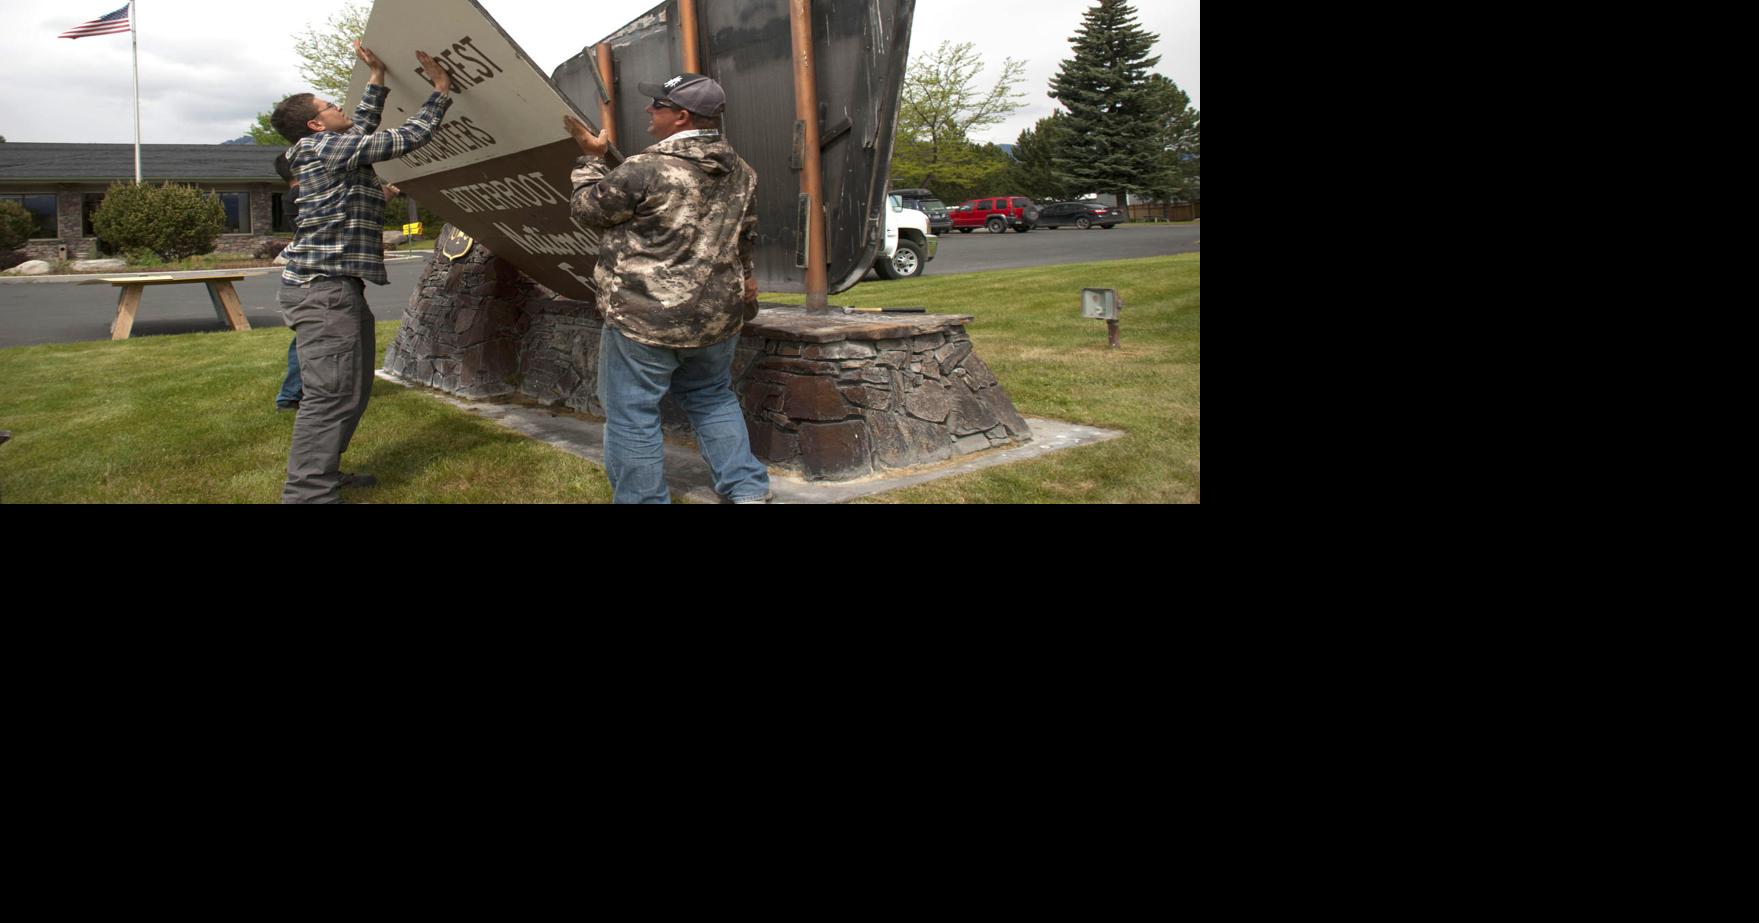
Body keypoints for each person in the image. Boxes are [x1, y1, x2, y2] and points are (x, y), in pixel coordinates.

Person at [564, 73, 770, 504]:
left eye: (657, 104)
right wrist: (747, 279)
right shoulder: (743, 172)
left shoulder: (647, 168)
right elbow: (744, 236)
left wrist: (589, 161)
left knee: (632, 416)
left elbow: (587, 210)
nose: (648, 109)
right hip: (717, 319)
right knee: (712, 397)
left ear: (681, 116)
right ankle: (748, 490)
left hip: (644, 319)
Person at [269, 42, 452, 503]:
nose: (338, 106)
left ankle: (322, 473)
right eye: (330, 105)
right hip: (324, 295)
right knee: (330, 395)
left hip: (334, 290)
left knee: (350, 390)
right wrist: (441, 92)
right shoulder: (322, 150)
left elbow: (361, 127)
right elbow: (400, 139)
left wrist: (377, 78)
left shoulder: (326, 148)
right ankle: (308, 494)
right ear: (315, 123)